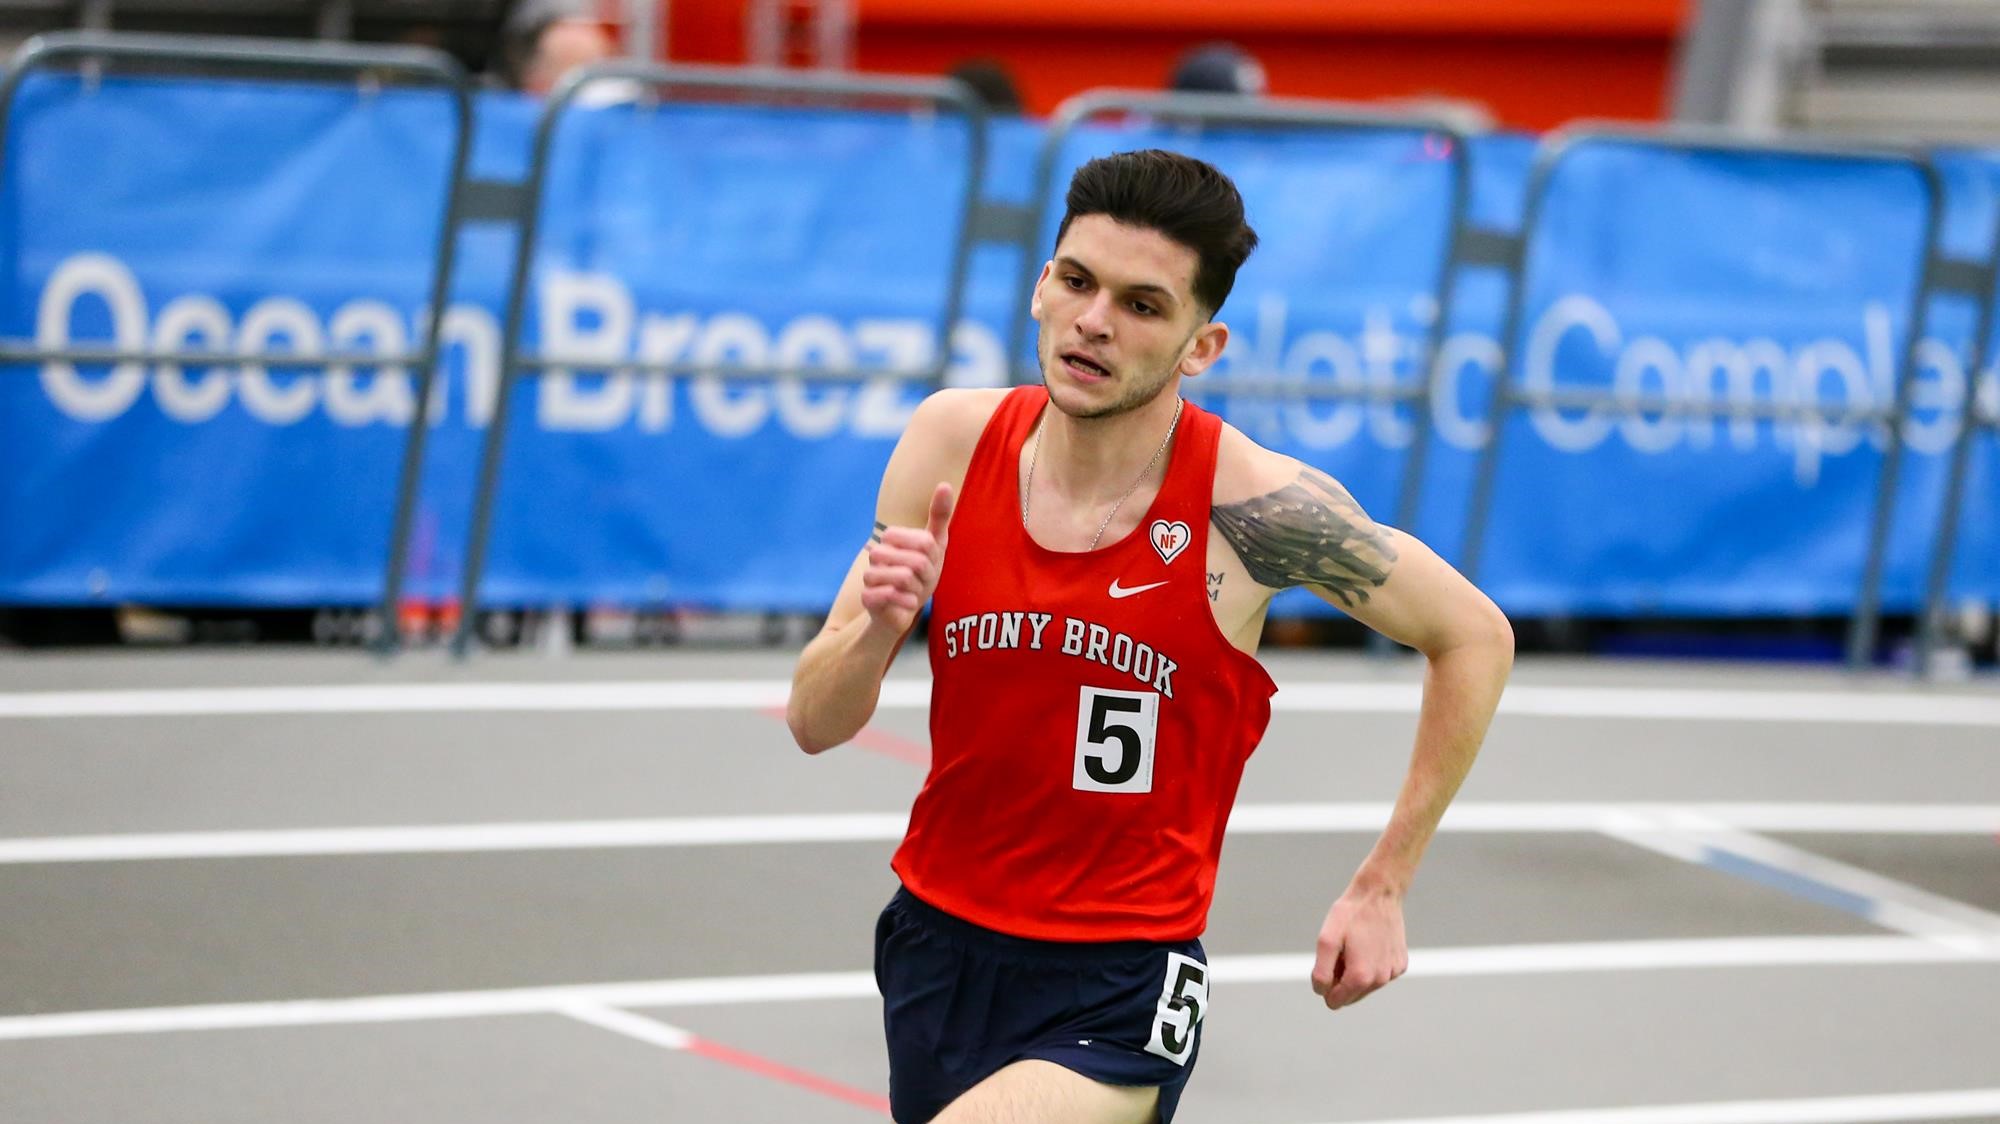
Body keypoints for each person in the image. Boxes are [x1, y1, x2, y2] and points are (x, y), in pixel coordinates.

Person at [787, 149, 1513, 1124]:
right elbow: (813, 720)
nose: (1094, 321)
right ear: (1041, 286)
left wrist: (1383, 881)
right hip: (933, 941)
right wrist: (876, 628)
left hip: (1118, 979)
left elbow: (1471, 634)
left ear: (1199, 345)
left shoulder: (1253, 507)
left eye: (1141, 304)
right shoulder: (949, 444)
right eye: (1078, 282)